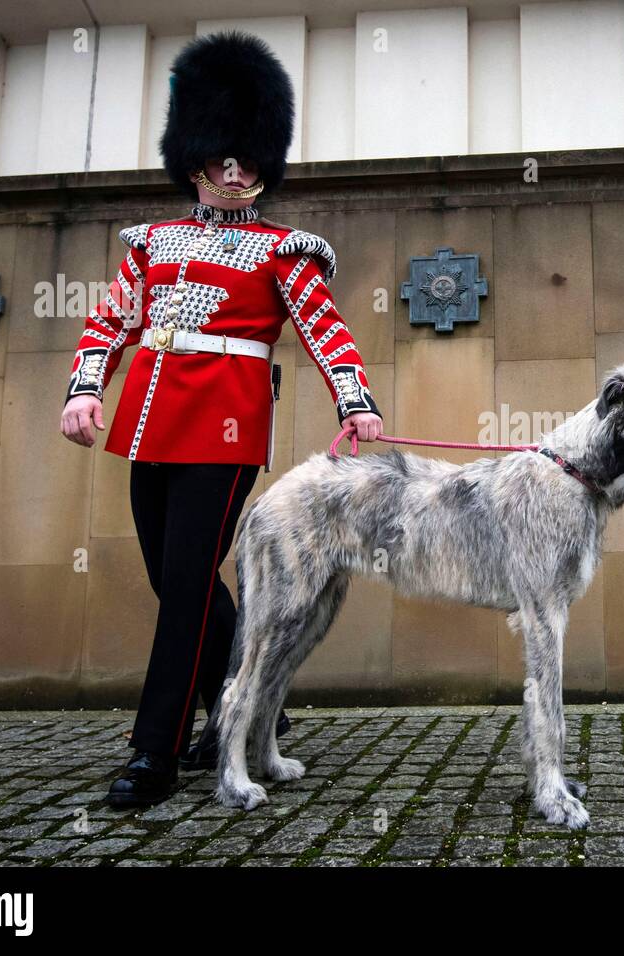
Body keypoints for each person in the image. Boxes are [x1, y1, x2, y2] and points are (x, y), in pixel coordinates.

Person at [59, 32, 382, 807]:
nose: (235, 171)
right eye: (220, 157)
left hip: (225, 425)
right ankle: (246, 708)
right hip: (148, 421)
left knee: (185, 585)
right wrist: (85, 387)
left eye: (247, 158)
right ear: (194, 160)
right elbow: (111, 321)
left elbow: (324, 327)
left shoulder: (285, 250)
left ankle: (154, 754)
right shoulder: (153, 242)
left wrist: (355, 397)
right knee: (182, 584)